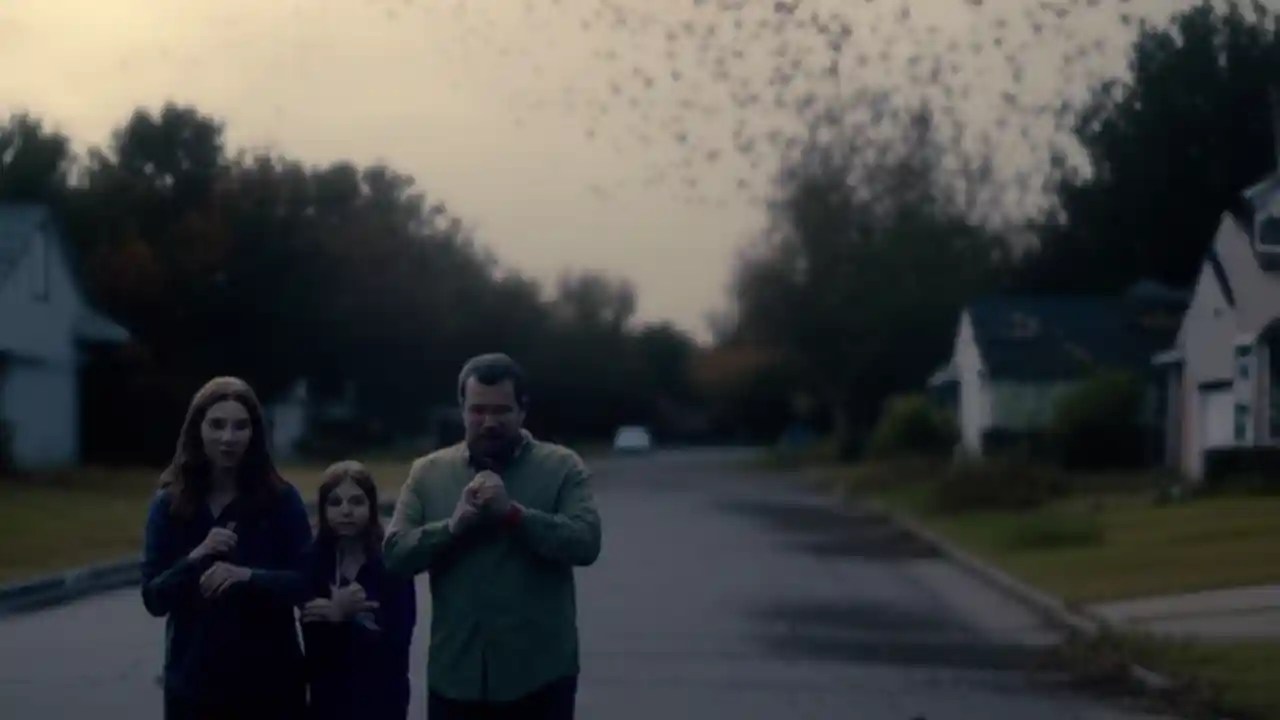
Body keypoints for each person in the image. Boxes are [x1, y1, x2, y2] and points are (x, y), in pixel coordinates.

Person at [384, 353, 603, 720]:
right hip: (455, 679)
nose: (488, 422)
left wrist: (514, 515)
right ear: (462, 408)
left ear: (523, 410)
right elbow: (394, 555)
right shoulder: (427, 473)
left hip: (539, 679)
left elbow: (586, 542)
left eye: (501, 411)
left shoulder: (562, 466)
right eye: (478, 410)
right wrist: (452, 528)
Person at [140, 376, 313, 720]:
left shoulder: (281, 500)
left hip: (271, 689)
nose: (228, 438)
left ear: (255, 434)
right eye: (217, 425)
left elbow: (308, 582)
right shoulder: (170, 506)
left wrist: (247, 576)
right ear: (197, 429)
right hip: (194, 690)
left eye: (240, 426)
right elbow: (154, 598)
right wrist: (196, 557)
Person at [301, 460, 417, 720]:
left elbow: (397, 642)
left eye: (356, 502)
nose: (346, 511)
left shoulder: (391, 563)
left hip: (382, 701)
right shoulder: (313, 563)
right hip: (328, 702)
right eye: (335, 503)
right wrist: (346, 618)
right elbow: (315, 649)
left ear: (371, 507)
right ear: (322, 509)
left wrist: (341, 617)